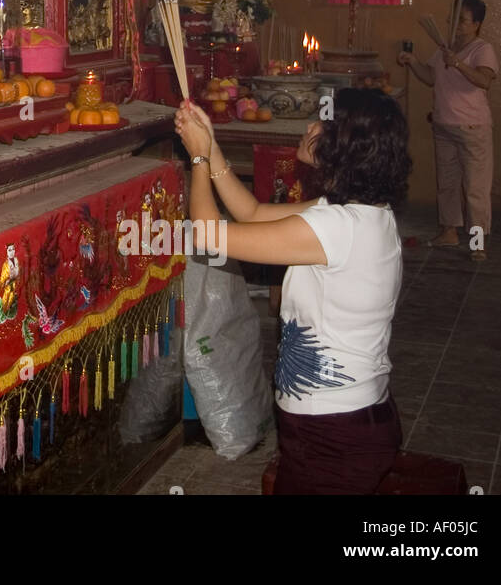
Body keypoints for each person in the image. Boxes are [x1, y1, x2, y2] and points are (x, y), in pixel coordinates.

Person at [174, 88, 410, 495]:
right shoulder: (359, 214)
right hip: (346, 423)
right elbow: (251, 213)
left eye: (326, 123)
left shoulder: (336, 229)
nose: (311, 126)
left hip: (335, 435)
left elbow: (211, 236)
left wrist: (195, 159)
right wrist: (211, 148)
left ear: (347, 145)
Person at [397, 0, 497, 260]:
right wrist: (412, 60)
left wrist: (459, 63)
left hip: (472, 127)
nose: (455, 24)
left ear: (476, 24)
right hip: (444, 125)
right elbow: (431, 77)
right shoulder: (446, 47)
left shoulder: (482, 49)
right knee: (448, 184)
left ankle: (477, 243)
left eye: (461, 20)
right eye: (453, 19)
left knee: (475, 187)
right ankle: (449, 232)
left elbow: (484, 80)